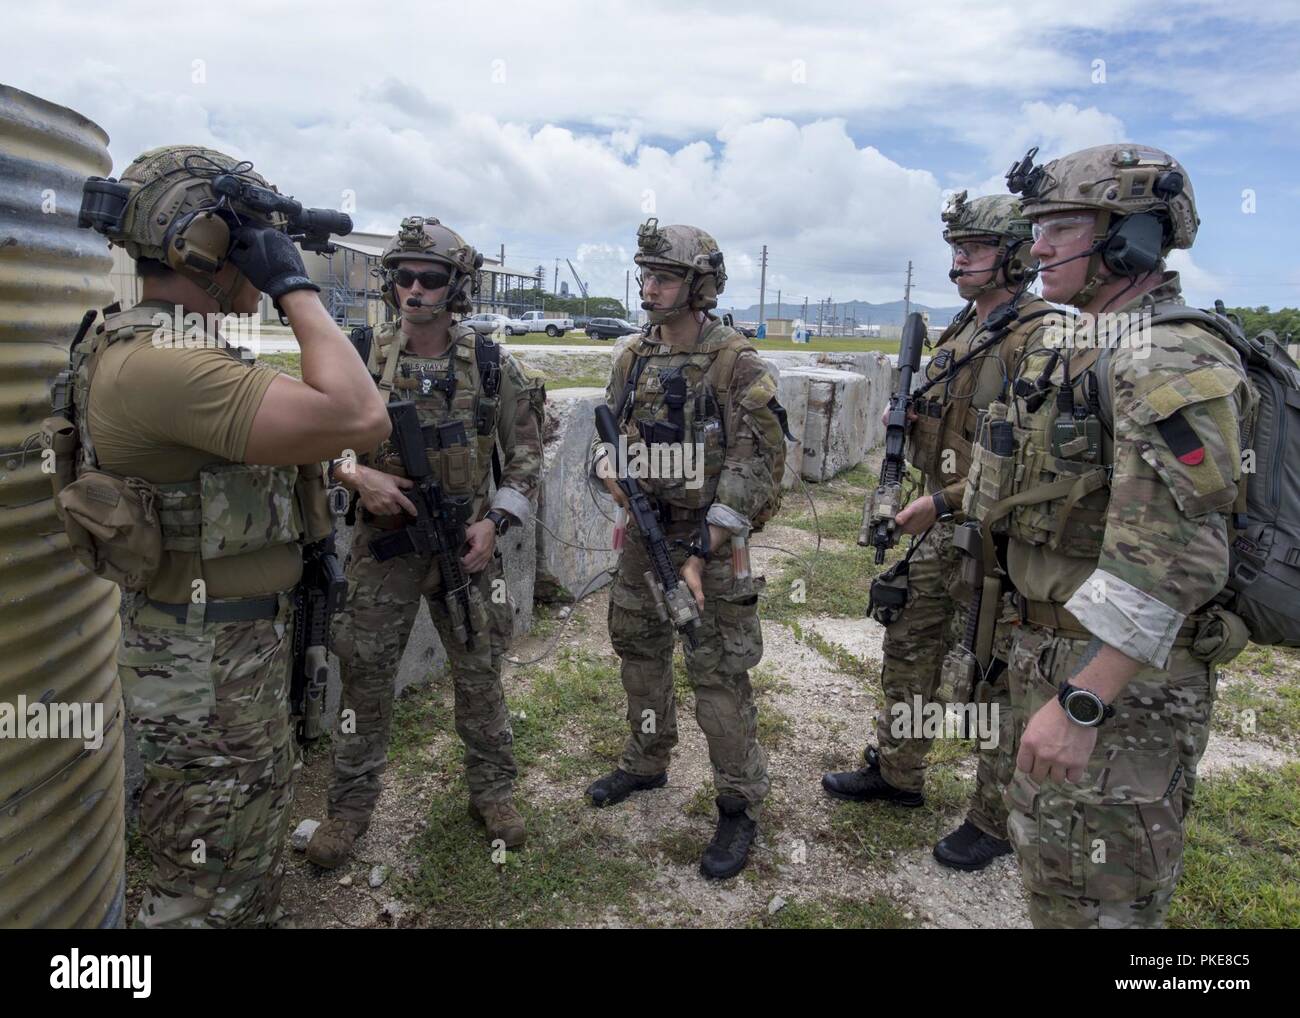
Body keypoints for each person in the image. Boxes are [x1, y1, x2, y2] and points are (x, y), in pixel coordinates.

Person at [55, 144, 387, 926]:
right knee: (205, 892)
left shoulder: (169, 347)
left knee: (240, 856)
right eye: (248, 240)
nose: (261, 259)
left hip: (224, 653)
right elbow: (357, 415)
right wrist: (296, 288)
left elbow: (244, 467)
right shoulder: (159, 363)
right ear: (202, 243)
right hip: (203, 671)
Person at [981, 143, 1256, 927]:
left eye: (1061, 227)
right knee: (1056, 874)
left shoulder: (1165, 353)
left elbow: (1183, 556)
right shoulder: (1090, 344)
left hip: (1119, 684)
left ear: (1131, 236)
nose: (1036, 248)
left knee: (1105, 902)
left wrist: (1082, 704)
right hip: (1061, 654)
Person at [822, 192, 1057, 871]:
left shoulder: (1039, 337)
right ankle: (898, 772)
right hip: (939, 527)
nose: (960, 256)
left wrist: (946, 502)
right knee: (910, 646)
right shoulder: (961, 331)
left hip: (1003, 541)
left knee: (996, 679)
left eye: (976, 246)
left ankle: (993, 817)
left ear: (1013, 257)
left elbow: (1030, 457)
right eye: (957, 244)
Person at [307, 216, 544, 868]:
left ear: (455, 286)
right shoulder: (358, 357)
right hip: (382, 549)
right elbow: (315, 443)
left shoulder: (491, 364)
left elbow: (525, 455)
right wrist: (357, 473)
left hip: (463, 546)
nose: (414, 288)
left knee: (480, 672)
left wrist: (492, 523)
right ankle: (350, 811)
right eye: (403, 275)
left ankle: (492, 793)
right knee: (365, 682)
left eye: (430, 277)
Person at [587, 218, 787, 880]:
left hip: (712, 540)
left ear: (699, 285)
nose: (650, 287)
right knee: (638, 649)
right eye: (646, 274)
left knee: (718, 673)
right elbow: (608, 435)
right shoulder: (634, 356)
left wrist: (704, 551)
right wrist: (608, 471)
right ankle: (647, 759)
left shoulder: (737, 362)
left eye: (664, 276)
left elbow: (757, 463)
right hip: (646, 534)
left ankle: (738, 803)